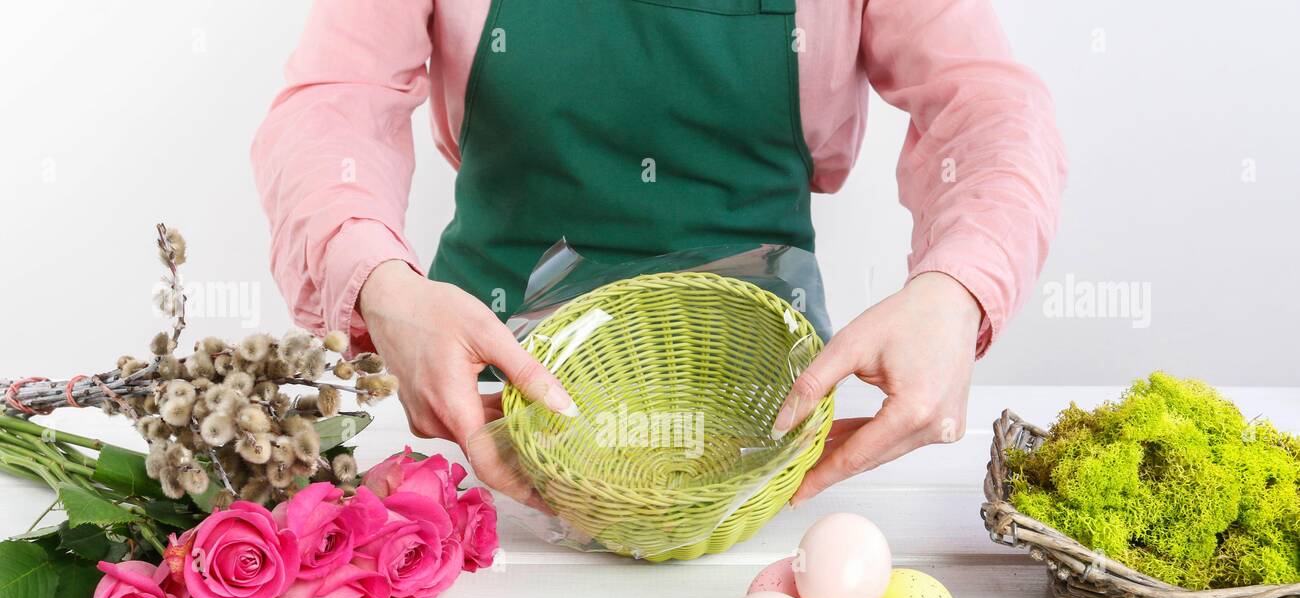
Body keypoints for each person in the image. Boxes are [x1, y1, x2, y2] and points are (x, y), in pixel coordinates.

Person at [252, 0, 1065, 505]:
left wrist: (958, 289)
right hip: (482, 423)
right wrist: (381, 286)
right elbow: (333, 103)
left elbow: (987, 104)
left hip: (763, 441)